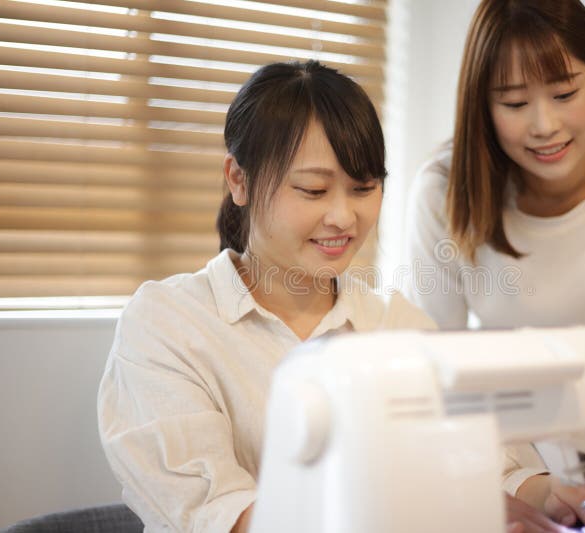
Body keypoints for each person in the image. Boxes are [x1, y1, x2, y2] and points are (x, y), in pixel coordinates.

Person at [97, 61, 438, 533]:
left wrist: (539, 495)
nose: (343, 216)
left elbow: (485, 466)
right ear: (239, 180)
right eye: (313, 190)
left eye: (363, 188)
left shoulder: (399, 325)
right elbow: (217, 512)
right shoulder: (168, 325)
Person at [405, 0, 585, 531]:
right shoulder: (441, 193)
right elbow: (429, 360)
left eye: (565, 94)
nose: (544, 125)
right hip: (496, 453)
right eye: (515, 103)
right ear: (482, 105)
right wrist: (516, 480)